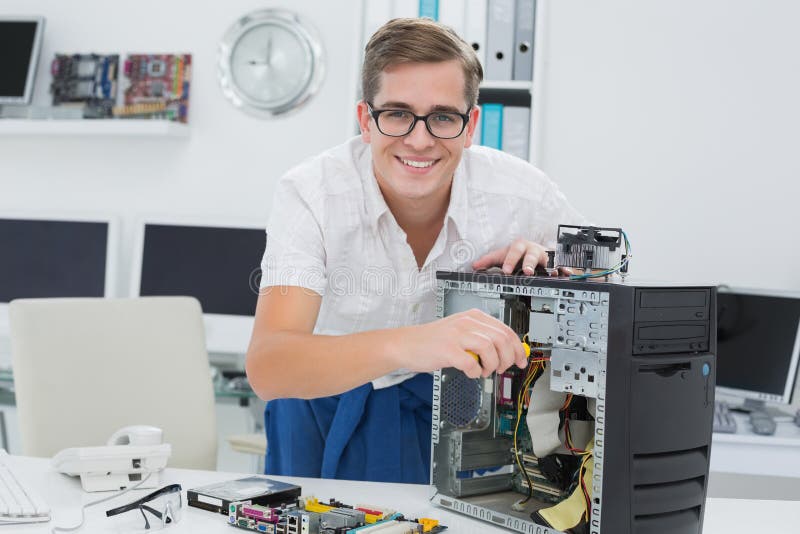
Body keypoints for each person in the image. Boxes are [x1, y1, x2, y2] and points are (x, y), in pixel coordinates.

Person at [245, 18, 584, 484]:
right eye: (397, 114)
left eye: (443, 117)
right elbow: (270, 367)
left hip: (460, 421)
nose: (419, 140)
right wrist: (411, 343)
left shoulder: (524, 195)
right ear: (366, 120)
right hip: (321, 410)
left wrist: (550, 269)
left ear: (471, 125)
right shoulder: (311, 193)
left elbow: (600, 301)